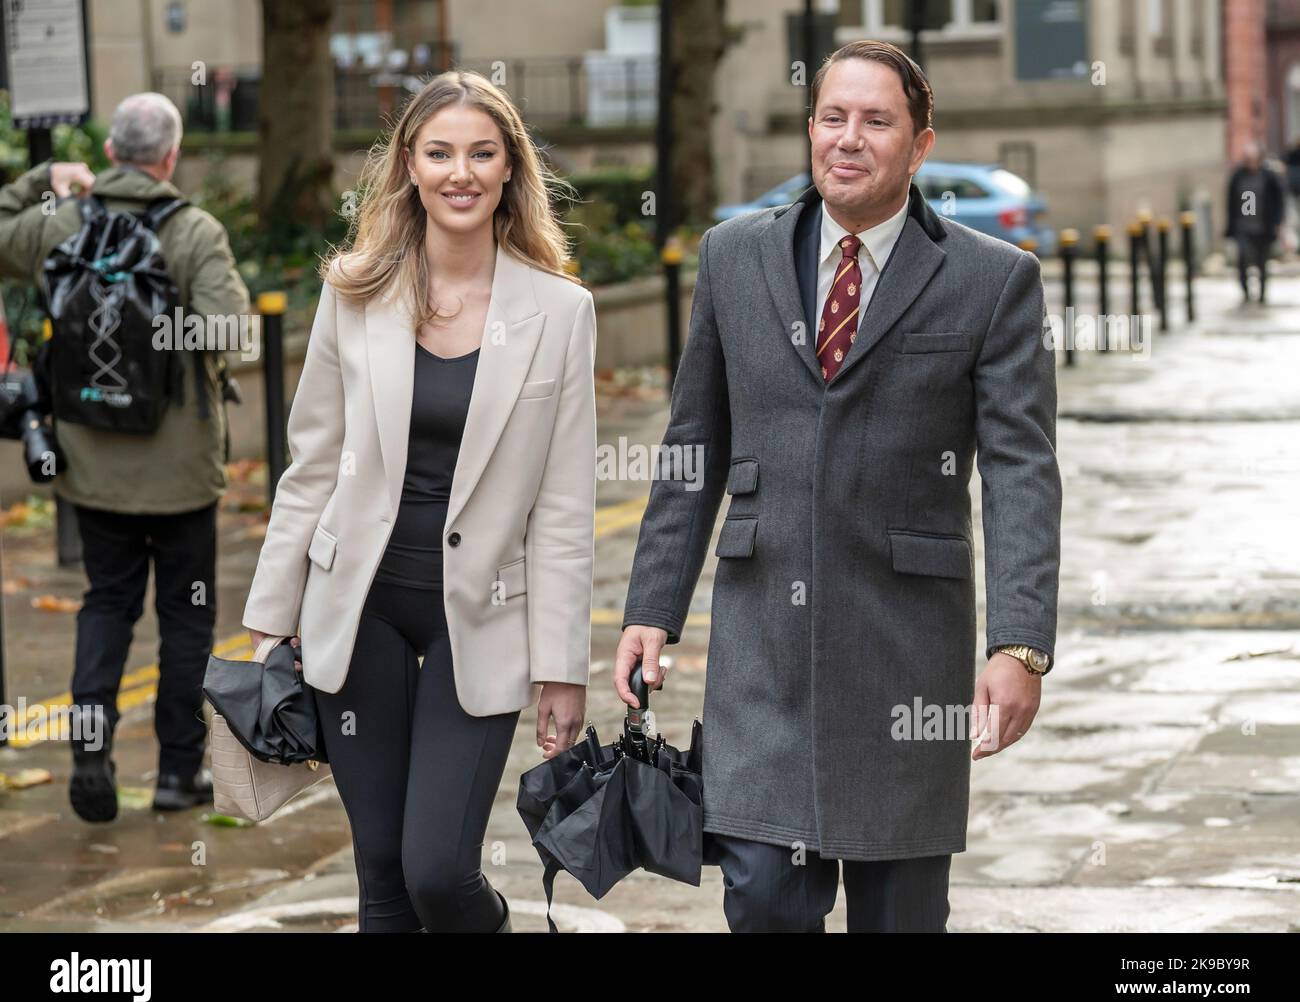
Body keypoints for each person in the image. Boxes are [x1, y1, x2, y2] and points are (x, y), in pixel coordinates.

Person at [616, 40, 1061, 932]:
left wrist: (1020, 644)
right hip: (760, 664)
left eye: (876, 121)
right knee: (765, 907)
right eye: (831, 117)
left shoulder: (993, 279)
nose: (847, 139)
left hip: (906, 666)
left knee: (900, 918)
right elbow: (690, 446)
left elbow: (1021, 468)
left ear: (920, 144)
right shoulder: (731, 258)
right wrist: (649, 607)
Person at [242, 70, 596, 933]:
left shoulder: (562, 311)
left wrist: (562, 665)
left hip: (481, 617)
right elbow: (311, 465)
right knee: (384, 879)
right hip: (357, 608)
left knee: (438, 871)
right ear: (409, 164)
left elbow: (563, 509)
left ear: (511, 167)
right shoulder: (354, 291)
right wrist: (268, 616)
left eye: (482, 153)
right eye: (439, 153)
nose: (460, 173)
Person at [0, 93, 248, 822]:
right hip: (179, 477)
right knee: (186, 621)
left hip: (88, 464)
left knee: (104, 606)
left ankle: (89, 752)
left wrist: (46, 177)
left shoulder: (62, 219)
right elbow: (229, 331)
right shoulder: (196, 231)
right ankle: (177, 773)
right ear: (169, 158)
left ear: (109, 153)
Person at [1225, 140, 1285, 304]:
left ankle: (1262, 293)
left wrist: (1278, 222)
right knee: (1243, 258)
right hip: (1243, 225)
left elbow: (1278, 200)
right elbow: (1230, 202)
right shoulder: (1238, 177)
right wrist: (1230, 225)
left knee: (1262, 261)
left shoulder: (1269, 177)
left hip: (1263, 226)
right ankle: (1245, 291)